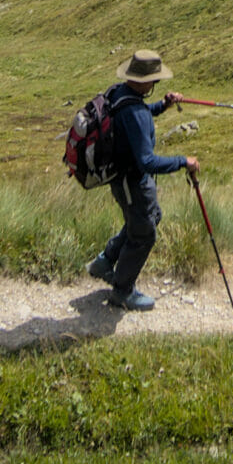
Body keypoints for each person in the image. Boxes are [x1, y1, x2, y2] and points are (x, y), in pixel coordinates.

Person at [85, 49, 195, 312]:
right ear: (144, 81)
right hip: (132, 180)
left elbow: (138, 114)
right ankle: (122, 291)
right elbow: (147, 161)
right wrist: (183, 161)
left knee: (149, 217)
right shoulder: (134, 110)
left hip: (123, 178)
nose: (156, 84)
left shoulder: (119, 92)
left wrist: (163, 106)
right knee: (144, 233)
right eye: (155, 80)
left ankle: (105, 261)